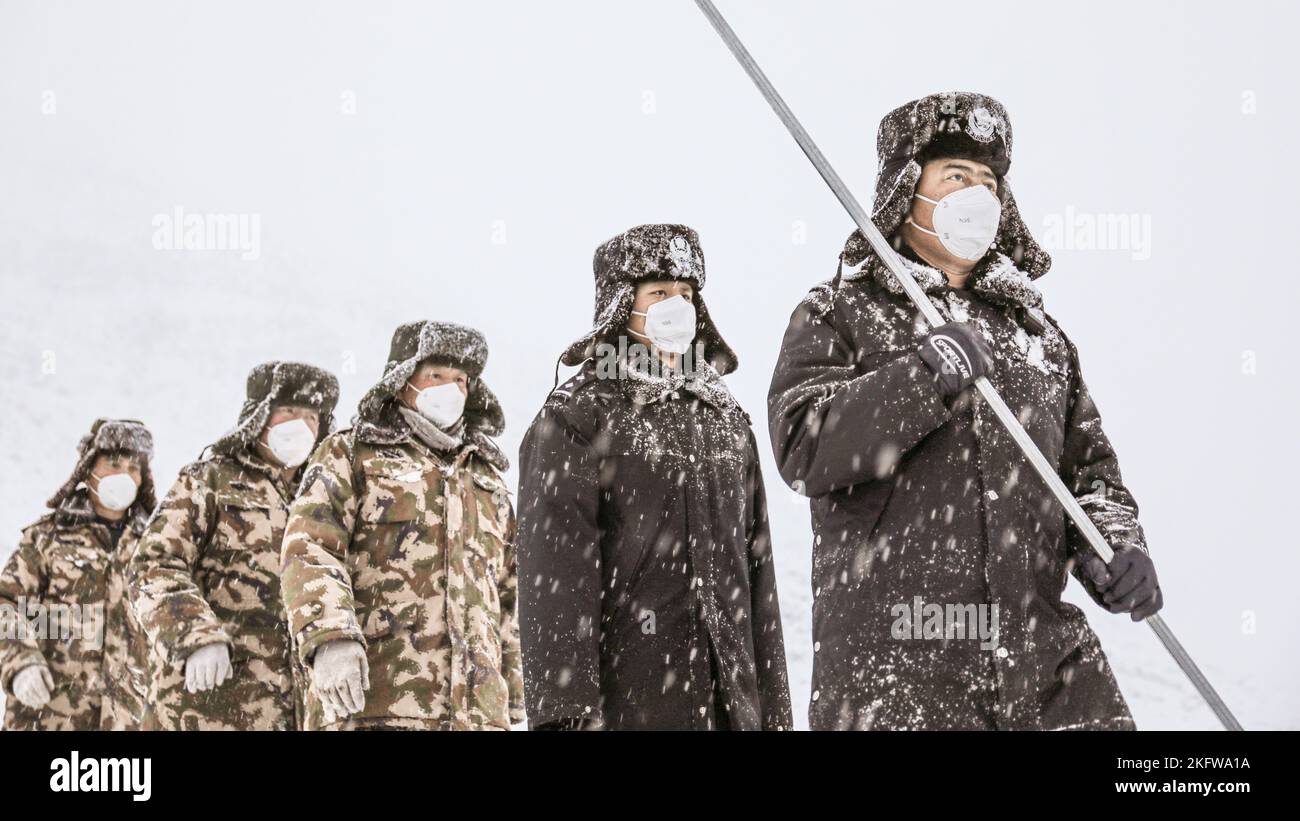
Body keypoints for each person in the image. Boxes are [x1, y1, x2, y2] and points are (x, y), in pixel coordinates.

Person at [768, 92, 1162, 730]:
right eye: (955, 175)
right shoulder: (839, 312)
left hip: (1047, 673)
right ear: (905, 189)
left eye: (988, 181)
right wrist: (922, 377)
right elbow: (802, 446)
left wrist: (1113, 546)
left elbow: (1090, 478)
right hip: (900, 682)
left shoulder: (1038, 338)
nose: (977, 194)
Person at [517, 223, 792, 730]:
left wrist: (774, 717)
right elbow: (555, 585)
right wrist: (565, 718)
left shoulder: (726, 420)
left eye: (686, 292)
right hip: (630, 708)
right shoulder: (577, 416)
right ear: (622, 303)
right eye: (659, 293)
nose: (677, 306)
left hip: (731, 712)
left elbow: (759, 583)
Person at [280, 321, 522, 730]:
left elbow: (509, 591)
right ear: (402, 379)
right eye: (436, 375)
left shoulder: (486, 480)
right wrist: (330, 636)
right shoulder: (352, 454)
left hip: (476, 718)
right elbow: (310, 547)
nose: (450, 389)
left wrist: (512, 697)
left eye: (460, 380)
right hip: (373, 706)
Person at [130, 362, 338, 730]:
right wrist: (194, 634)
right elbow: (153, 565)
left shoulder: (327, 496)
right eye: (289, 410)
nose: (301, 425)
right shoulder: (208, 480)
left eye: (311, 416)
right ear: (259, 414)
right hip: (203, 711)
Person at [0, 418, 156, 730]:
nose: (124, 476)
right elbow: (6, 602)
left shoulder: (158, 546)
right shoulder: (47, 538)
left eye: (133, 468)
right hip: (48, 718)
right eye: (114, 464)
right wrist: (20, 663)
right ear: (87, 470)